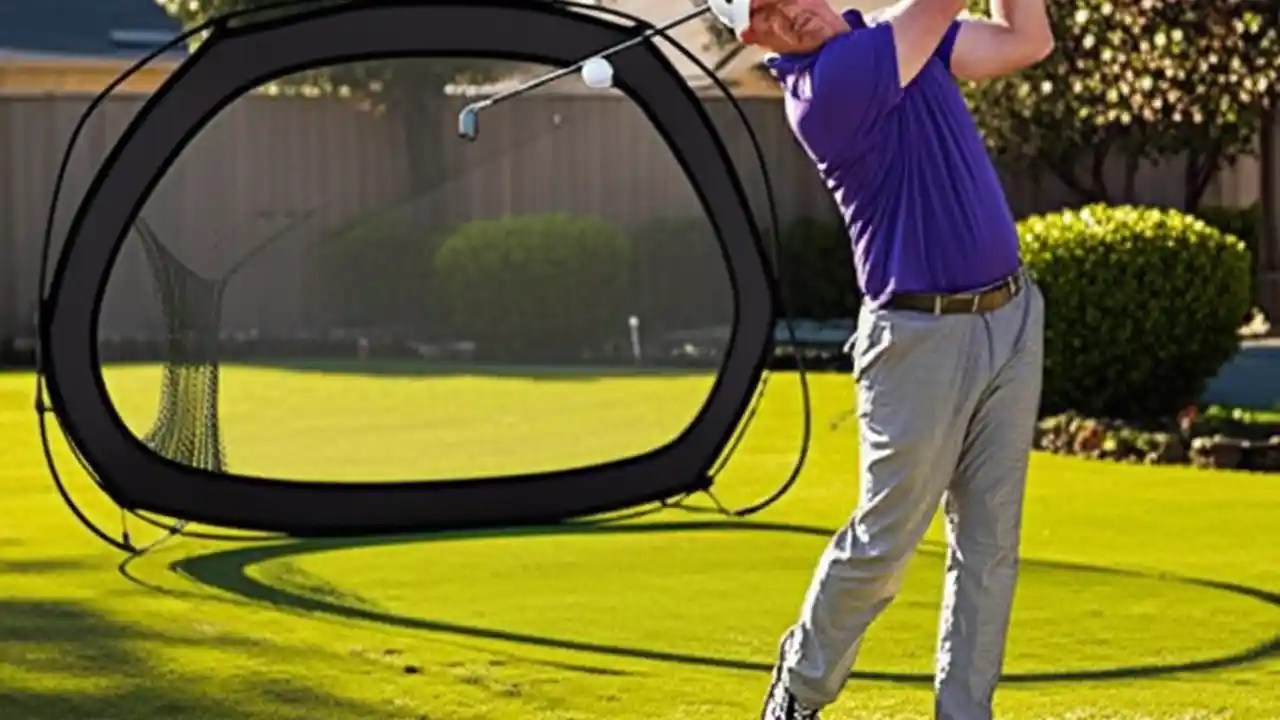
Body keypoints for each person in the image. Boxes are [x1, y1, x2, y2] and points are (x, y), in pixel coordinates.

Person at [727, 0, 1055, 718]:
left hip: (1011, 316)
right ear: (753, 36)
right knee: (884, 545)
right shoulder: (824, 88)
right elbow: (937, 8)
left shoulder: (894, 40)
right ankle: (799, 690)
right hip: (918, 340)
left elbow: (1028, 40)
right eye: (765, 15)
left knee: (991, 546)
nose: (790, 15)